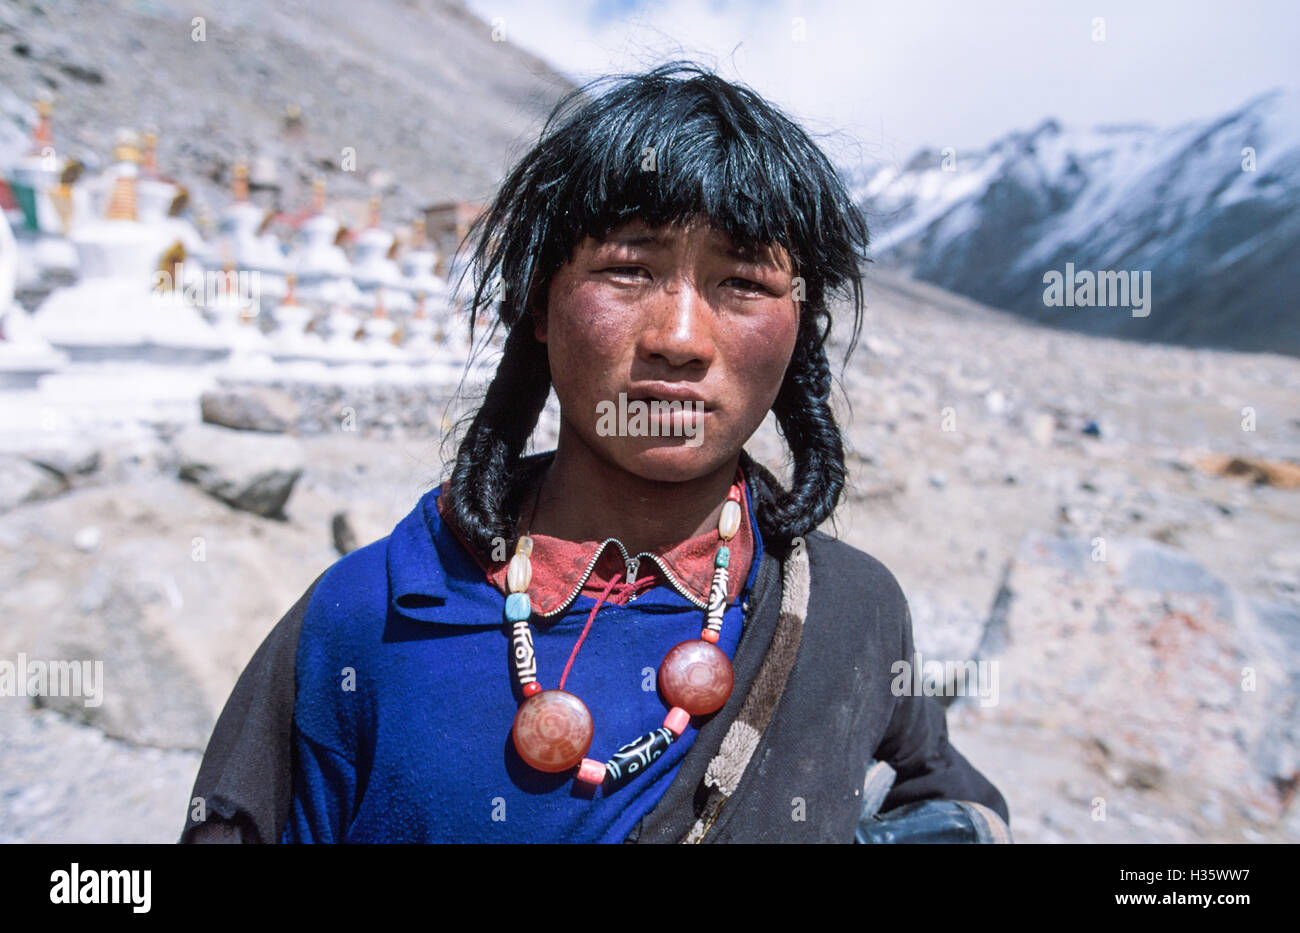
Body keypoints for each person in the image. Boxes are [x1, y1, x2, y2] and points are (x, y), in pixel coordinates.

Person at [179, 61, 1010, 844]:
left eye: (744, 284)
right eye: (628, 270)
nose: (681, 338)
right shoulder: (372, 615)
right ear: (539, 303)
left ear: (799, 332)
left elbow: (944, 800)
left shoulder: (849, 611)